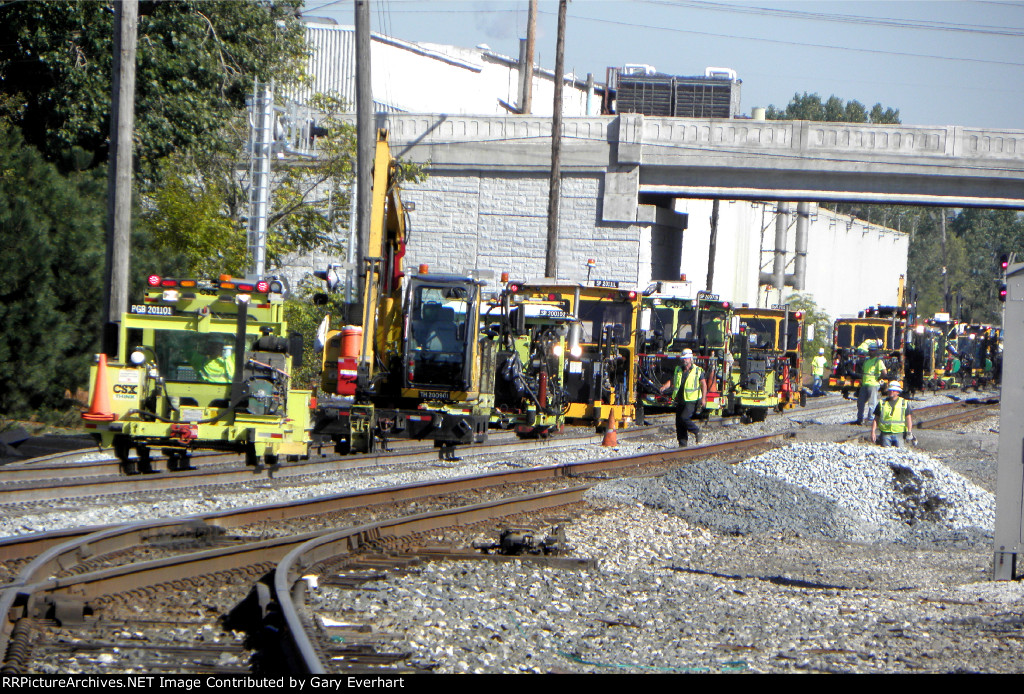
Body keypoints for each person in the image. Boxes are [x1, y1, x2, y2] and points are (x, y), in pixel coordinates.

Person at [660, 349, 706, 447]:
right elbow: (672, 381)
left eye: (686, 359)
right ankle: (682, 444)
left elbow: (703, 384)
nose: (684, 360)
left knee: (684, 418)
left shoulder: (697, 370)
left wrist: (704, 399)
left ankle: (697, 431)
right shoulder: (678, 369)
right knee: (679, 423)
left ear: (690, 359)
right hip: (680, 399)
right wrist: (664, 387)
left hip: (691, 400)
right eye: (683, 359)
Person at [871, 380, 914, 447]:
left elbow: (908, 419)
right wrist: (873, 431)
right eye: (890, 390)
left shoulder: (904, 403)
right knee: (886, 453)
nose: (891, 392)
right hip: (885, 433)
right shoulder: (882, 403)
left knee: (900, 453)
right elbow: (876, 419)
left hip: (899, 433)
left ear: (898, 392)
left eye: (893, 390)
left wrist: (909, 432)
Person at [856, 342, 887, 425]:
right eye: (870, 350)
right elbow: (863, 372)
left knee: (872, 403)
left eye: (873, 350)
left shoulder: (878, 361)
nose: (871, 352)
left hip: (873, 385)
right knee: (860, 402)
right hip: (865, 384)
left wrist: (878, 379)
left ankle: (871, 420)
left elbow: (884, 372)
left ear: (876, 351)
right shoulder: (866, 361)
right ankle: (860, 419)